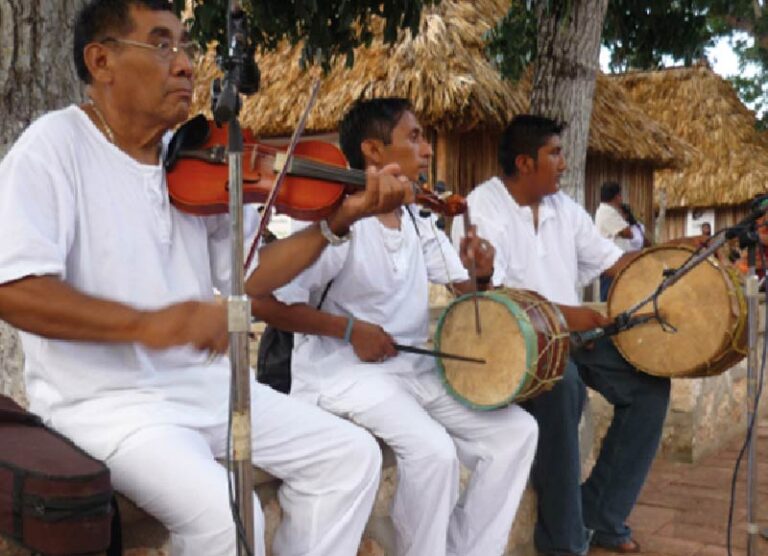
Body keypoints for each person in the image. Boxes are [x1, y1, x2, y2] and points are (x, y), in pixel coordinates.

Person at [0, 2, 416, 555]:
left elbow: (252, 276)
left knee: (350, 456)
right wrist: (152, 325)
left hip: (206, 389)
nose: (185, 64)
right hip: (106, 405)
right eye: (161, 45)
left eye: (185, 46)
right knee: (226, 516)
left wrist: (337, 222)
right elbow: (15, 291)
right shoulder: (53, 147)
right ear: (102, 61)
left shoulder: (196, 160)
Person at [249, 97, 539, 556]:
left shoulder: (418, 217)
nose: (427, 149)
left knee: (516, 433)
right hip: (343, 375)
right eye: (414, 137)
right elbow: (265, 302)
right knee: (434, 452)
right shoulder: (340, 218)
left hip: (410, 371)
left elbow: (466, 288)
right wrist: (349, 329)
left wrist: (482, 272)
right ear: (373, 150)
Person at [451, 115, 671, 556]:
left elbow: (612, 261)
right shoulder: (482, 208)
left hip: (569, 337)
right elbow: (496, 297)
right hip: (514, 346)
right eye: (554, 154)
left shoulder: (563, 209)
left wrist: (671, 262)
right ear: (524, 162)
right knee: (564, 385)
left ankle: (601, 513)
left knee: (648, 385)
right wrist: (570, 317)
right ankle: (562, 543)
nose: (563, 164)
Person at [594, 182, 649, 300]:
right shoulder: (608, 212)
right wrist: (626, 220)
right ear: (617, 196)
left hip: (616, 264)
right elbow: (627, 233)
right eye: (620, 195)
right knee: (610, 299)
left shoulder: (608, 211)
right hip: (612, 265)